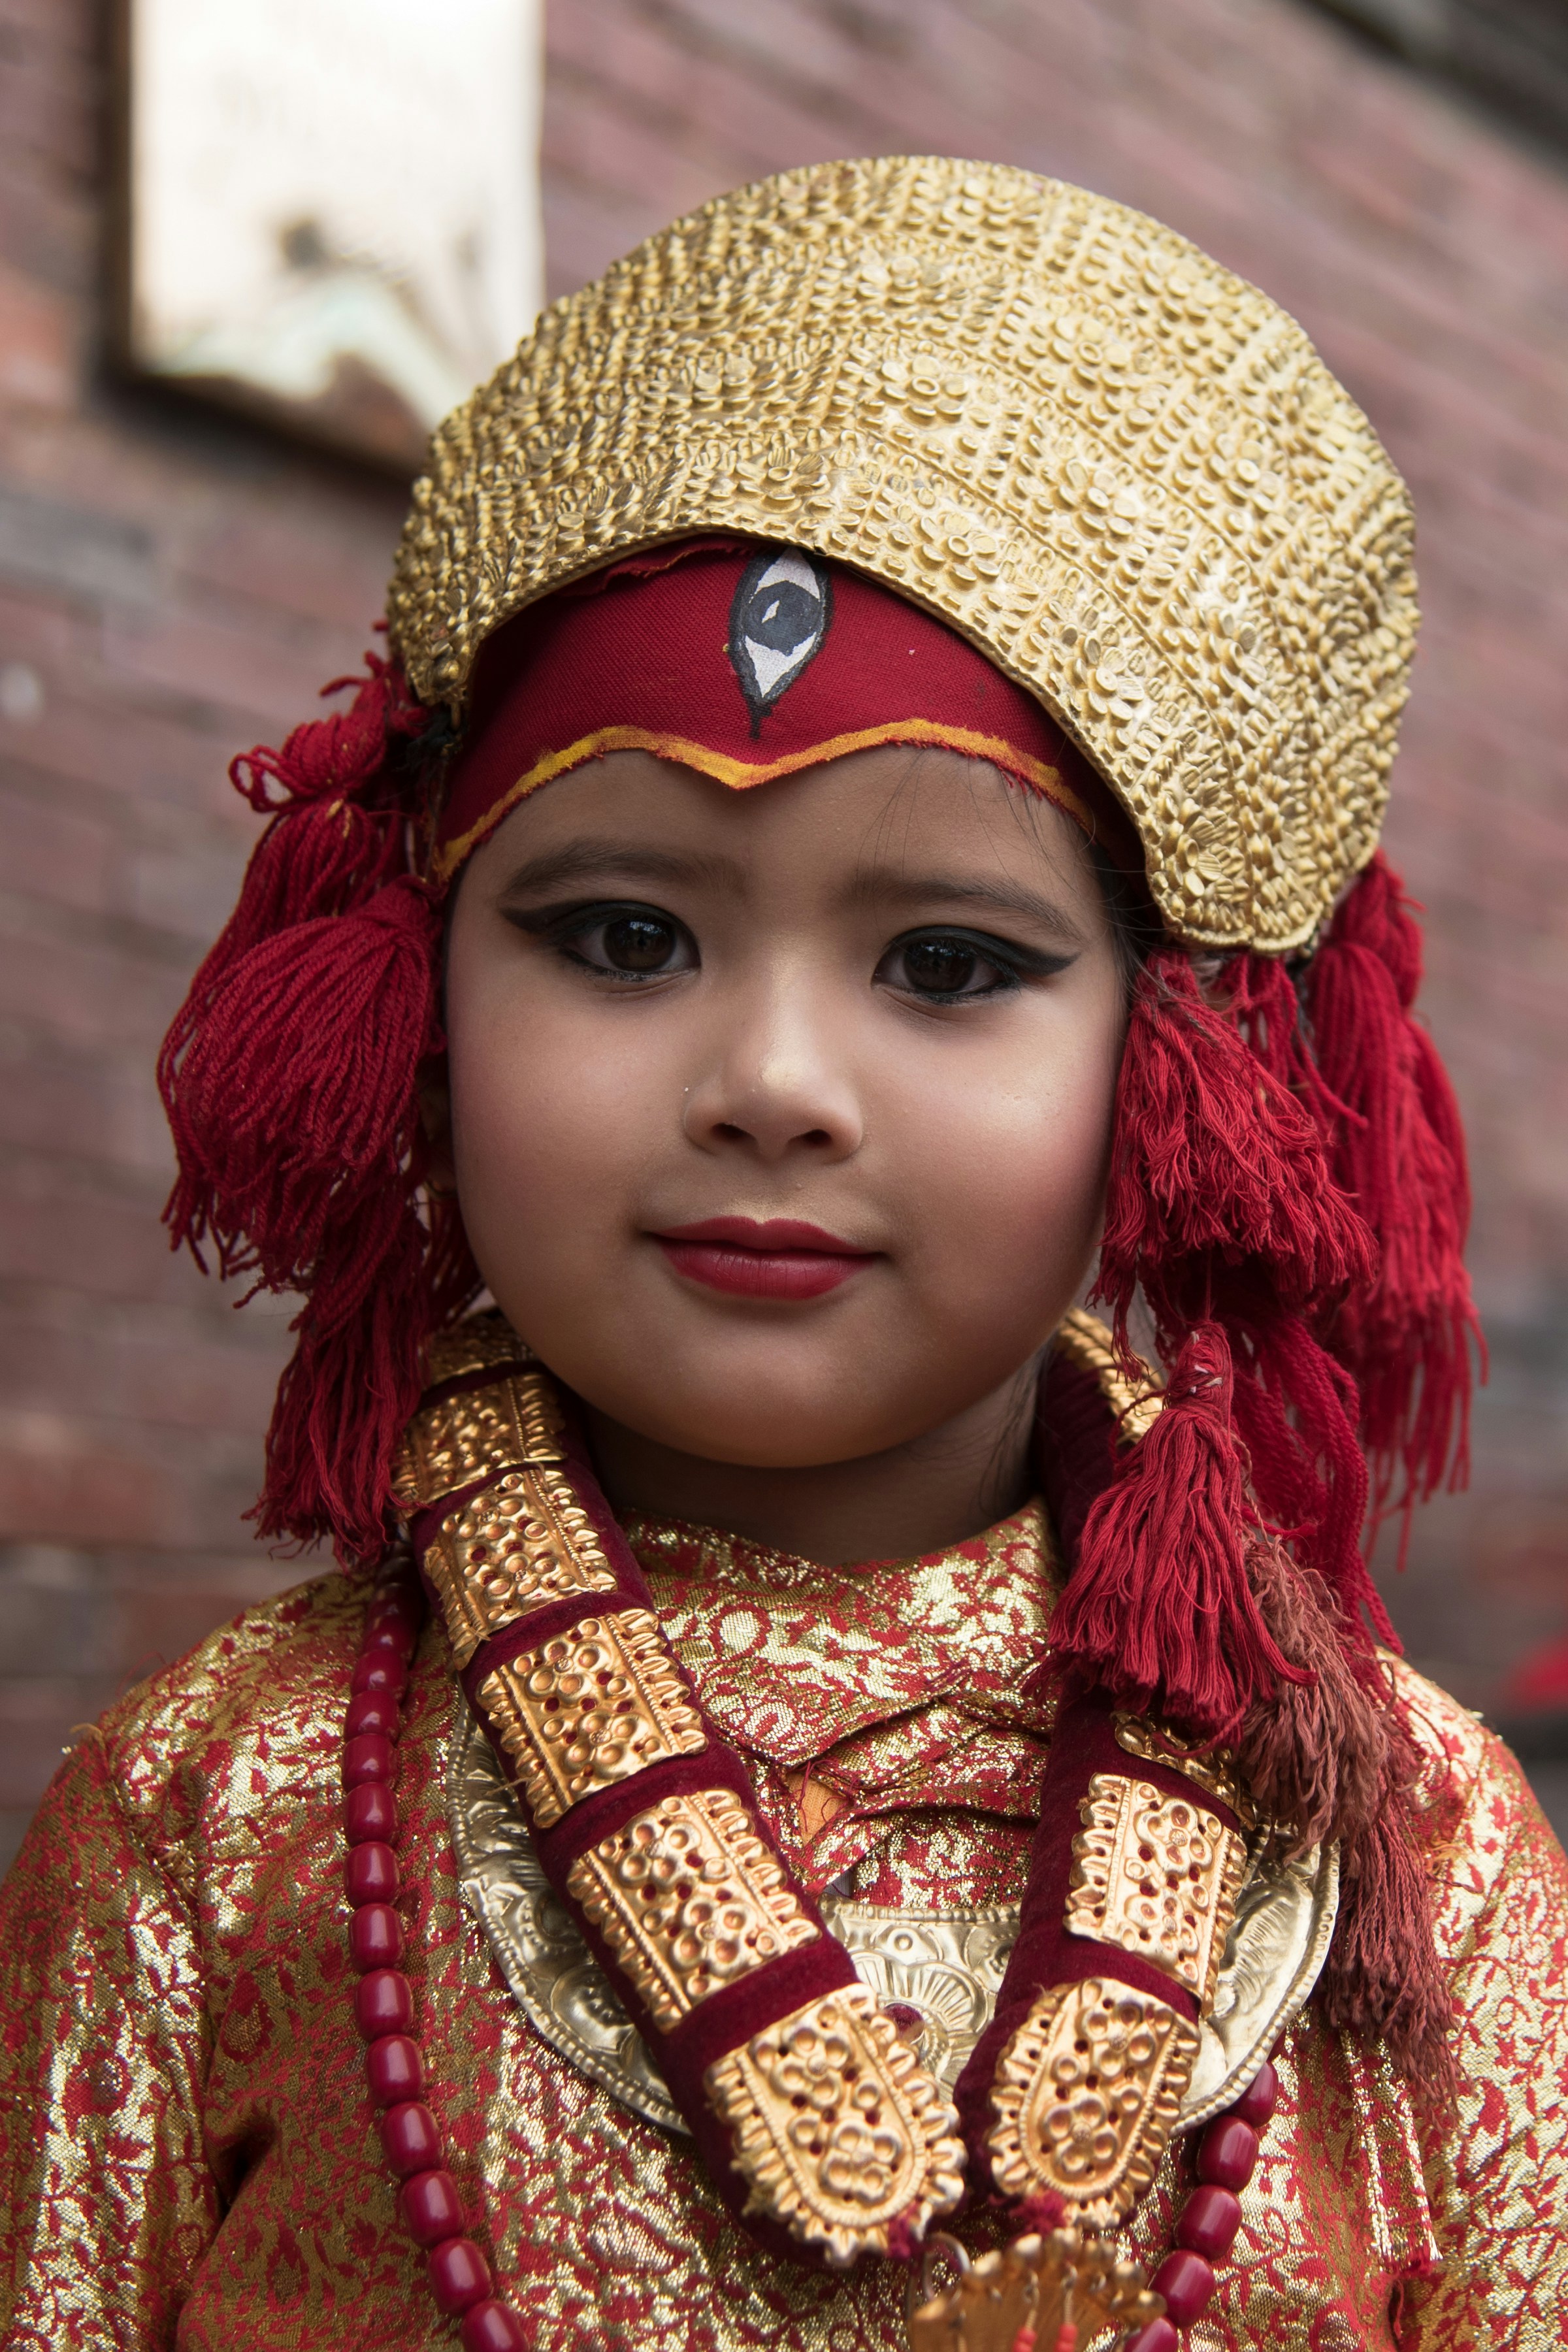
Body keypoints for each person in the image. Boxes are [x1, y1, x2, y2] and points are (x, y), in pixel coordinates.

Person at [1, 156, 1563, 2352]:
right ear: (421, 992)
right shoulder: (211, 1818)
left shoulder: (1422, 1849)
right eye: (623, 937)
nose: (770, 1080)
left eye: (946, 962)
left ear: (1173, 1065)